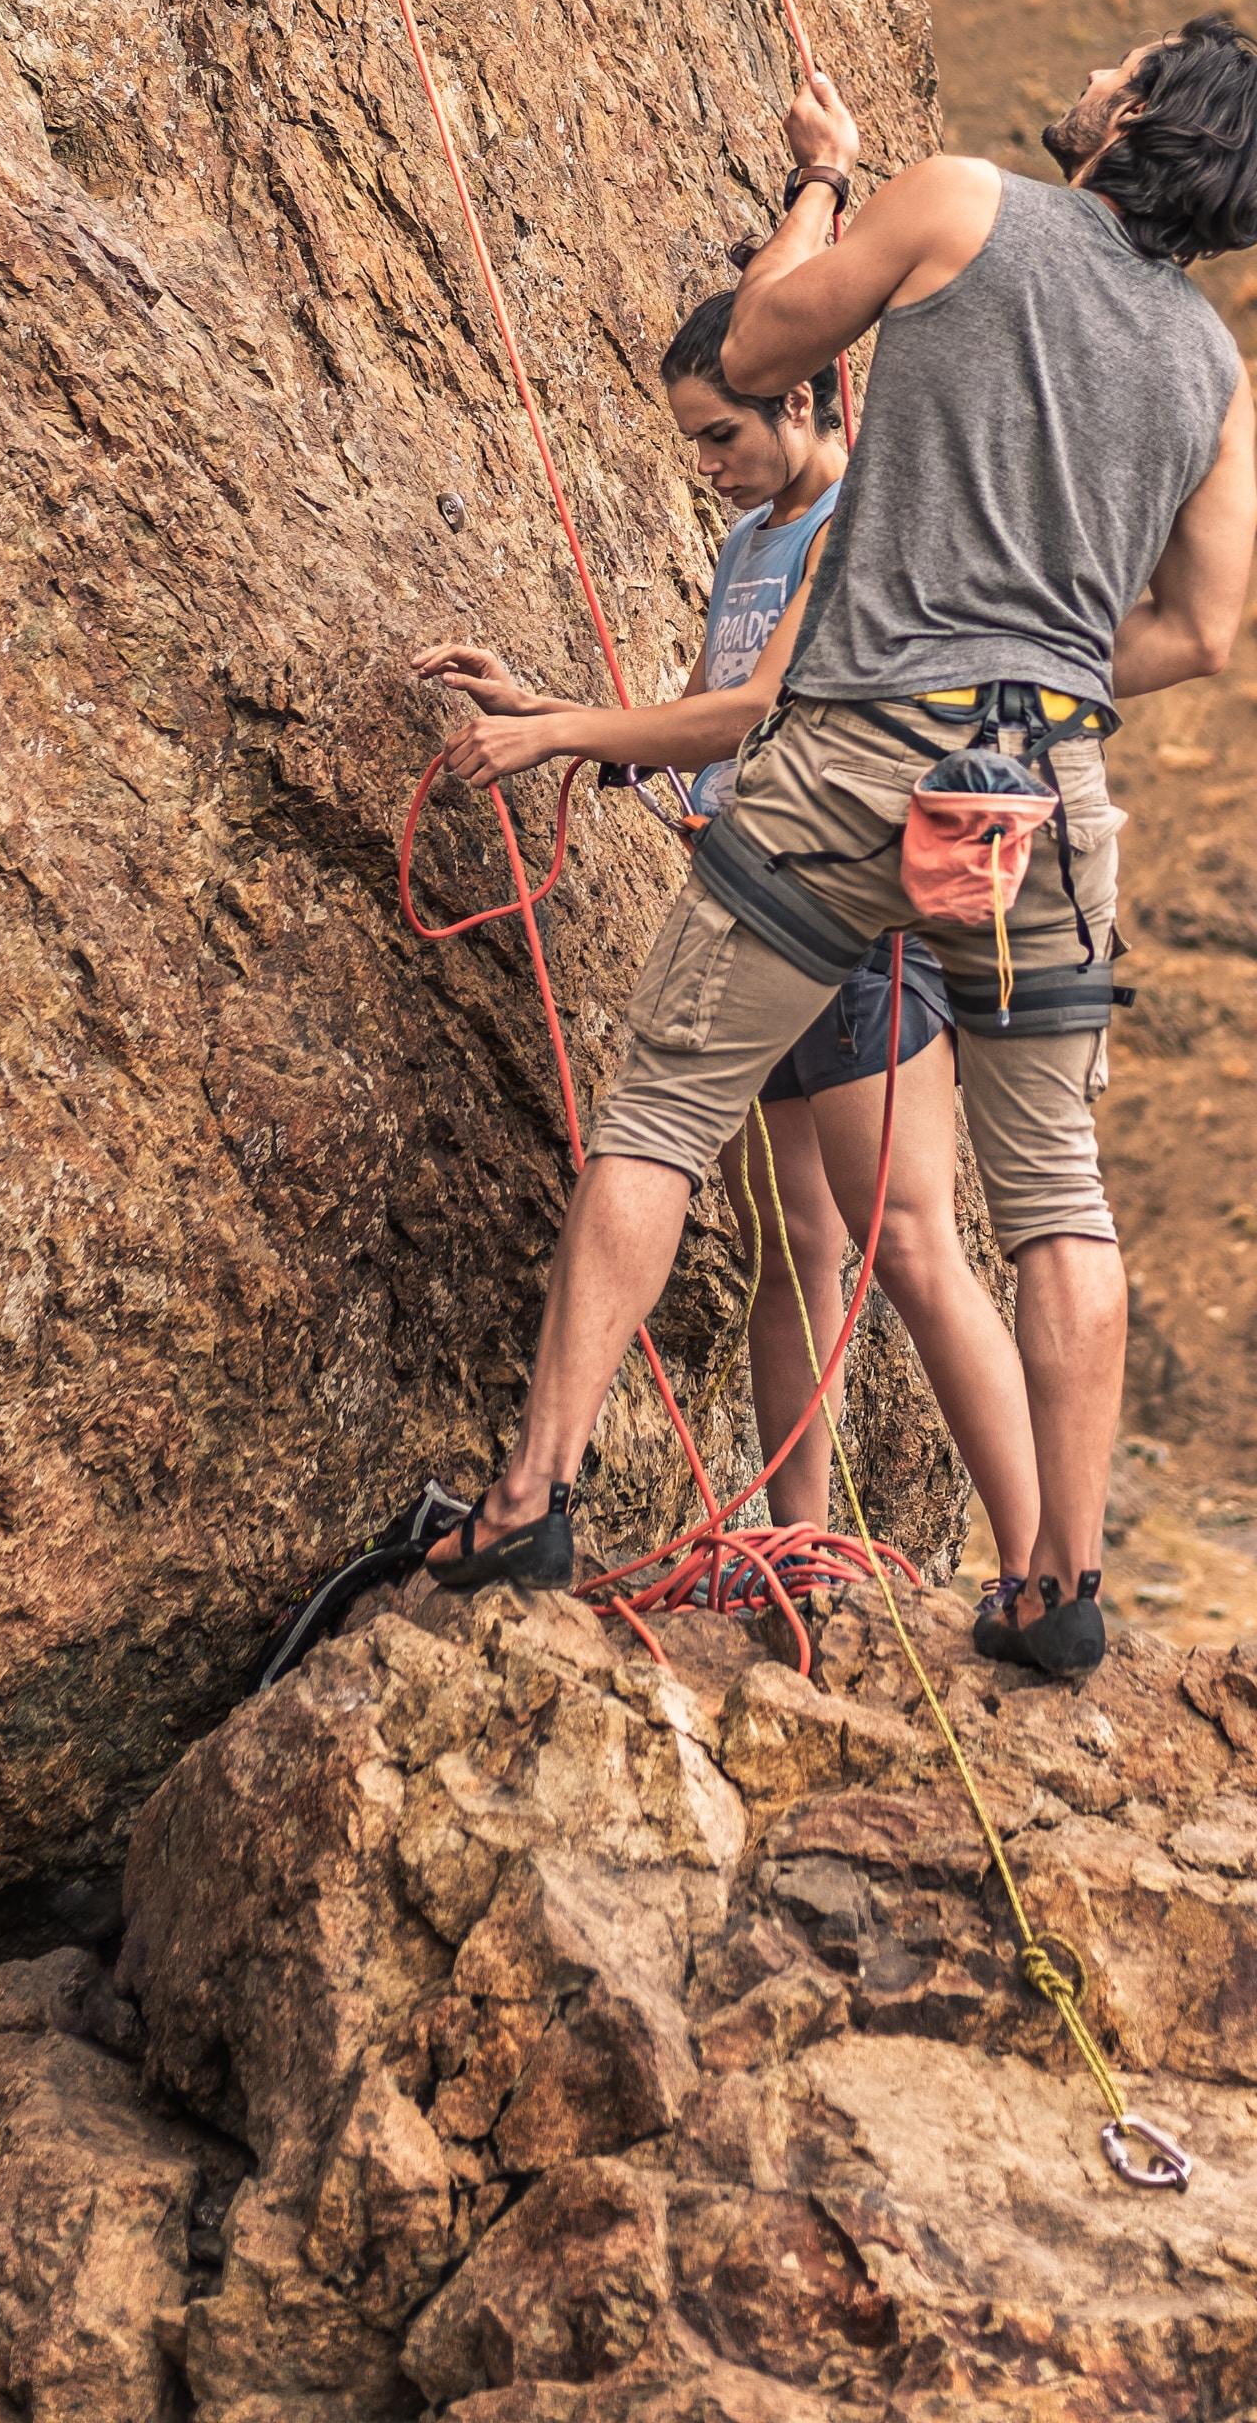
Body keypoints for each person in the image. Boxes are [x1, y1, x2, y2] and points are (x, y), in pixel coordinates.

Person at [425, 10, 1257, 1681]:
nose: (1092, 73)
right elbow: (1200, 633)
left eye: (1120, 66)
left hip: (860, 755)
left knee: (665, 1110)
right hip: (1048, 790)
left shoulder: (960, 202)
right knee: (1052, 1194)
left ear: (1138, 117)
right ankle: (1058, 1584)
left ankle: (532, 1497)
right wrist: (1036, 666)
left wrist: (819, 180)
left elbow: (760, 342)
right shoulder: (1213, 370)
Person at [411, 289, 1041, 1607]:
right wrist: (552, 710)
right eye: (694, 441)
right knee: (793, 1245)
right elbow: (708, 720)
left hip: (847, 924)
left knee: (910, 1242)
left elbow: (752, 711)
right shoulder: (755, 540)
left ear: (800, 399)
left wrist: (557, 735)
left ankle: (1044, 1567)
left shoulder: (856, 521)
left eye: (721, 436)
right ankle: (792, 1555)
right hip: (759, 900)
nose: (706, 466)